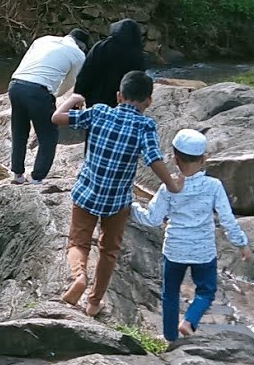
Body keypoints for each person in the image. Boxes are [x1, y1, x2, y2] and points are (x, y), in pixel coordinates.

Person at [50, 71, 182, 316]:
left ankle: (79, 277)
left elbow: (57, 118)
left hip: (87, 194)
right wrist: (172, 186)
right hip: (117, 201)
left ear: (119, 96)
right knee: (109, 251)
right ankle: (93, 302)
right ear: (149, 101)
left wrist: (73, 98)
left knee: (78, 242)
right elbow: (154, 159)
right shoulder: (146, 125)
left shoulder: (100, 112)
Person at [132, 129, 253, 341]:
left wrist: (130, 207)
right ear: (204, 159)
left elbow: (152, 219)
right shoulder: (214, 186)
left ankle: (170, 337)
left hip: (175, 249)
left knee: (170, 294)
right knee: (206, 291)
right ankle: (189, 321)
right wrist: (241, 244)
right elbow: (227, 219)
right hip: (203, 251)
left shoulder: (168, 188)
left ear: (175, 159)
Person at [7, 29, 91, 184]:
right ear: (82, 45)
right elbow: (70, 82)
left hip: (15, 85)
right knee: (48, 136)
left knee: (19, 131)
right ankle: (37, 178)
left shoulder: (43, 39)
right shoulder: (78, 55)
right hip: (38, 91)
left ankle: (17, 175)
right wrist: (55, 95)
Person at [75, 19, 147, 107]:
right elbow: (138, 79)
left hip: (95, 101)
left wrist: (78, 94)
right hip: (122, 102)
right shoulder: (137, 54)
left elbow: (86, 73)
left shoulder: (101, 47)